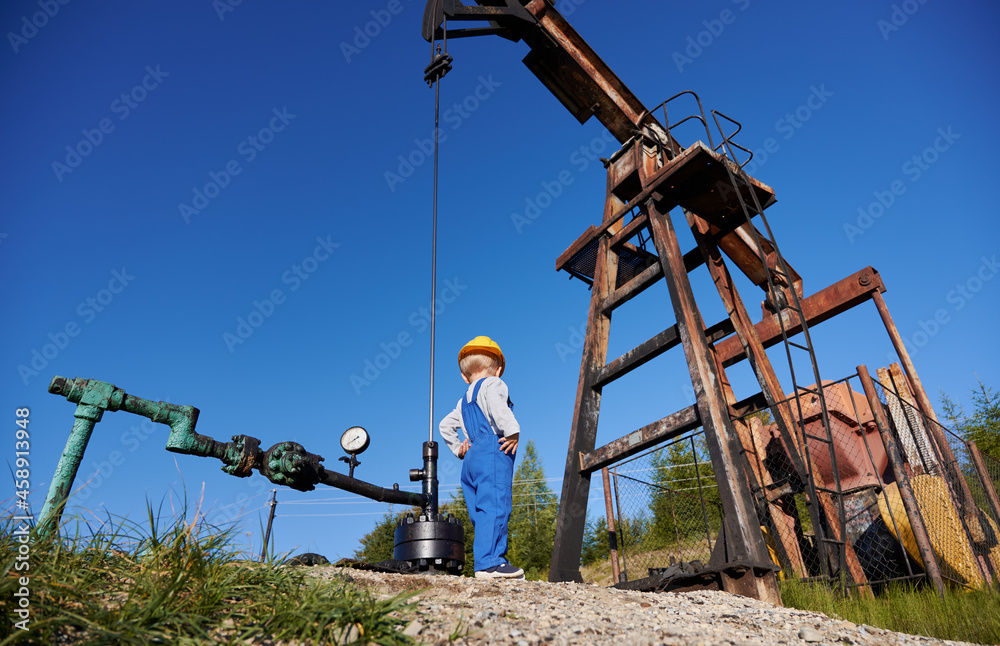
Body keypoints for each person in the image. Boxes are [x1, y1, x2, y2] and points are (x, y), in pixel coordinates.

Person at [439, 335, 524, 579]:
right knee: (496, 505)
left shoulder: (462, 400)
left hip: (471, 458)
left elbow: (445, 425)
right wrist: (513, 432)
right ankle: (491, 563)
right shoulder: (494, 385)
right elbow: (499, 409)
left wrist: (458, 448)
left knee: (480, 510)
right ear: (498, 370)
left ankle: (485, 560)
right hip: (492, 451)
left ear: (465, 376)